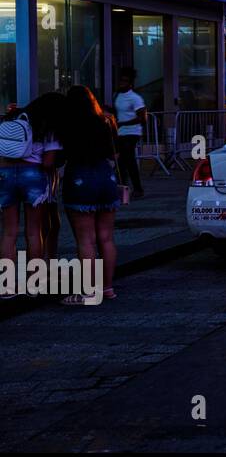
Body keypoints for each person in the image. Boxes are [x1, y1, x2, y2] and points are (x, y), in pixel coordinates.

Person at [0, 93, 66, 298]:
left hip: (5, 173)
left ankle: (6, 287)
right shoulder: (48, 126)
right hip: (33, 175)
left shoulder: (13, 117)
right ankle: (33, 284)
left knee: (9, 232)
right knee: (33, 231)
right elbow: (48, 162)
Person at [59, 87, 121, 304]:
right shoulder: (106, 121)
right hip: (106, 179)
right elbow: (115, 154)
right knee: (106, 238)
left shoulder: (67, 124)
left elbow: (60, 155)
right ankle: (107, 288)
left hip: (80, 179)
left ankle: (88, 291)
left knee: (86, 241)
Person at [113, 70, 147, 200]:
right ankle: (124, 189)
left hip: (132, 132)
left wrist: (123, 123)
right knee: (121, 161)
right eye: (121, 80)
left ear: (131, 84)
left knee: (128, 159)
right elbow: (118, 111)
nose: (122, 83)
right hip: (120, 132)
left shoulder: (135, 98)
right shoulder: (117, 95)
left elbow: (142, 118)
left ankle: (137, 189)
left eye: (125, 81)